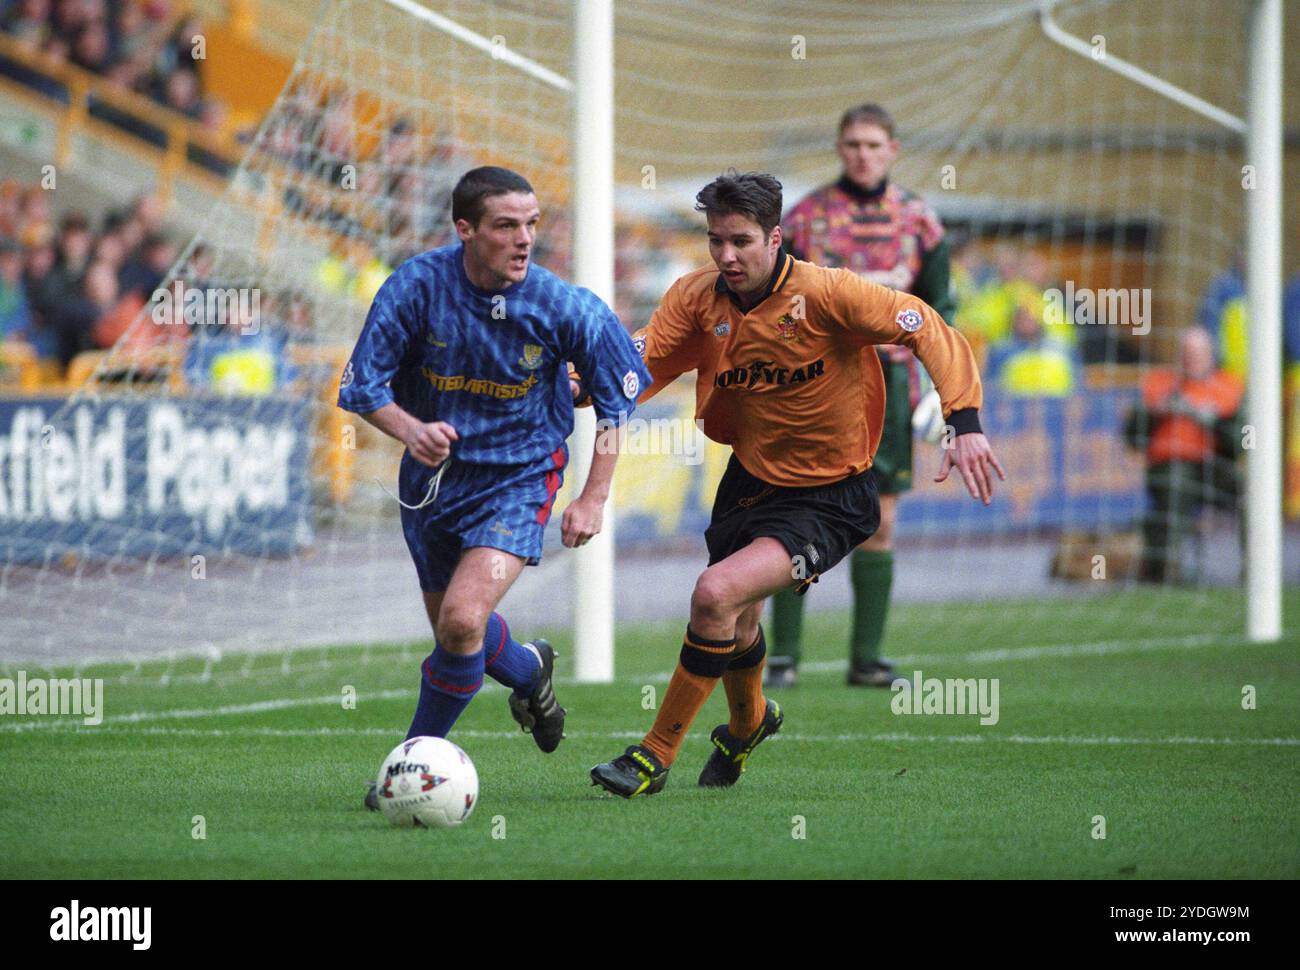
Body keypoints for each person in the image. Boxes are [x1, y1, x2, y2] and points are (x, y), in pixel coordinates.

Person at [584, 171, 1003, 797]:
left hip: (831, 495)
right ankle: (749, 723)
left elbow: (927, 326)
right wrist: (574, 380)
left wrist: (963, 420)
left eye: (742, 241)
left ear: (776, 237)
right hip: (749, 479)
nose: (726, 255)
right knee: (738, 621)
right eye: (715, 240)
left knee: (714, 592)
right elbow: (632, 367)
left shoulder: (829, 293)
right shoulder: (696, 297)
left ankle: (653, 754)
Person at [337, 166, 650, 810]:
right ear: (465, 229)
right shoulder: (416, 288)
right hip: (431, 483)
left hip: (520, 476)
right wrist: (408, 427)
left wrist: (593, 497)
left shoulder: (563, 305)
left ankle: (408, 770)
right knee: (460, 638)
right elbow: (360, 387)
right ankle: (530, 672)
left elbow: (620, 402)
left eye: (532, 224)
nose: (524, 238)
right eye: (506, 225)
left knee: (460, 620)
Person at [767, 102, 958, 688]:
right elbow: (776, 301)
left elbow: (941, 309)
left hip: (892, 386)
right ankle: (785, 655)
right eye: (852, 144)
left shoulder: (921, 222)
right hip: (816, 386)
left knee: (881, 519)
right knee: (795, 514)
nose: (862, 154)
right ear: (839, 148)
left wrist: (936, 386)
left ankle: (866, 658)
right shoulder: (805, 219)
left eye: (874, 145)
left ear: (893, 150)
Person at [1125, 327, 1243, 583]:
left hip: (1214, 467)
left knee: (1252, 491)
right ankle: (1167, 570)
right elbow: (1131, 437)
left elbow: (1244, 443)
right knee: (1176, 482)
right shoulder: (1159, 384)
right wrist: (1155, 412)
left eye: (1198, 354)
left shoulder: (1229, 387)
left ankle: (1257, 567)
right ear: (1179, 356)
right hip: (1168, 467)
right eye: (1188, 354)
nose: (1192, 360)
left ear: (1211, 355)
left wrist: (1216, 422)